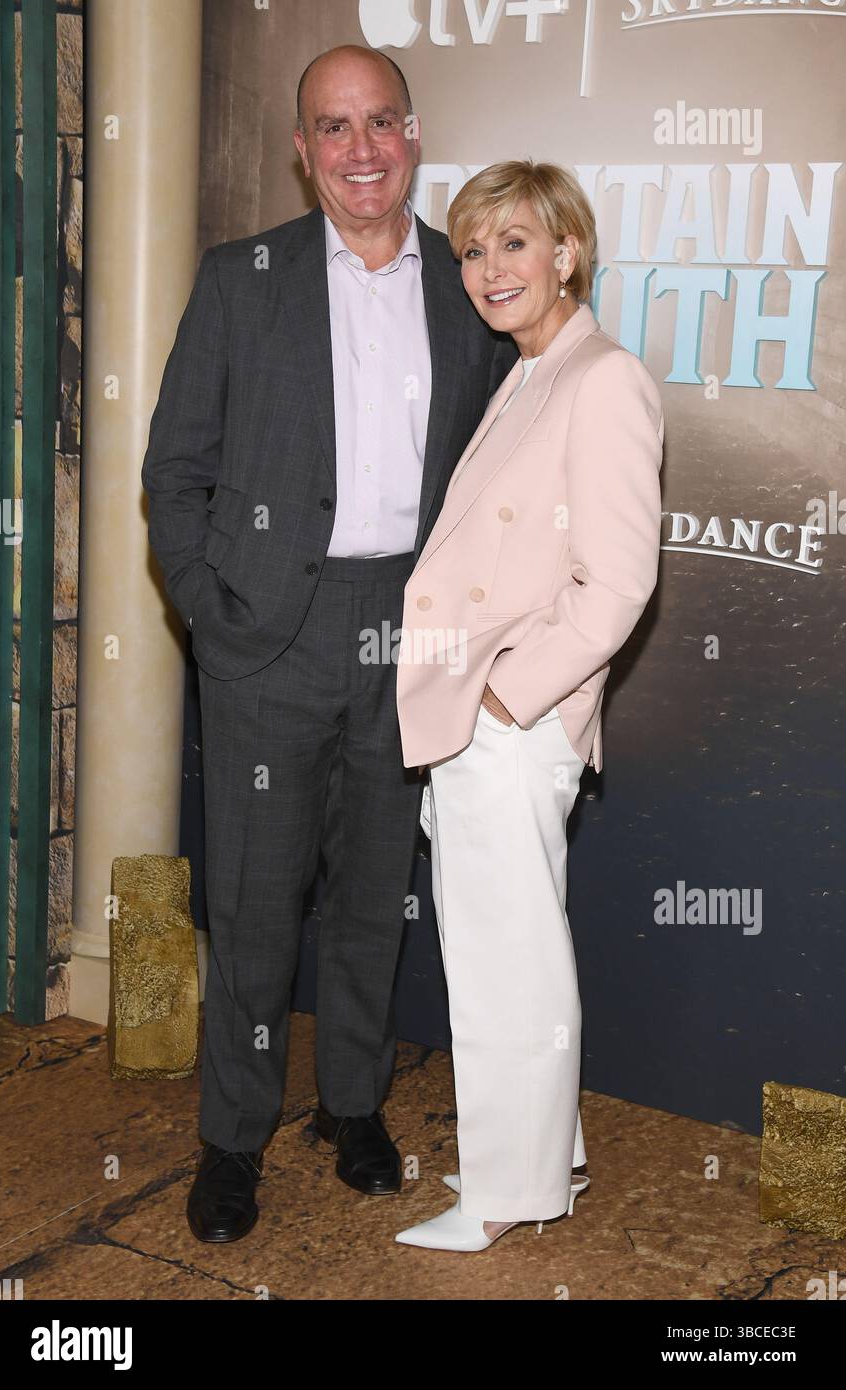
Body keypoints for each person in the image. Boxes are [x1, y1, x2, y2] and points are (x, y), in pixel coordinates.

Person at [141, 46, 517, 1243]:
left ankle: (352, 1106)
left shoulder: (468, 291)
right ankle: (232, 1137)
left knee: (372, 894)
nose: (361, 150)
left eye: (381, 123)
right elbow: (175, 471)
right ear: (301, 151)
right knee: (252, 906)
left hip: (406, 633)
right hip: (267, 640)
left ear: (413, 133)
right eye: (333, 127)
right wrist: (213, 608)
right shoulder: (240, 279)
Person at [394, 160, 664, 1251]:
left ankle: (506, 1192)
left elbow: (621, 581)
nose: (489, 268)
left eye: (515, 242)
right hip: (476, 717)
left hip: (507, 720)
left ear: (565, 253)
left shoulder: (602, 378)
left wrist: (505, 701)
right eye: (471, 248)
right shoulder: (533, 369)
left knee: (506, 963)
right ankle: (542, 1156)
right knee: (508, 950)